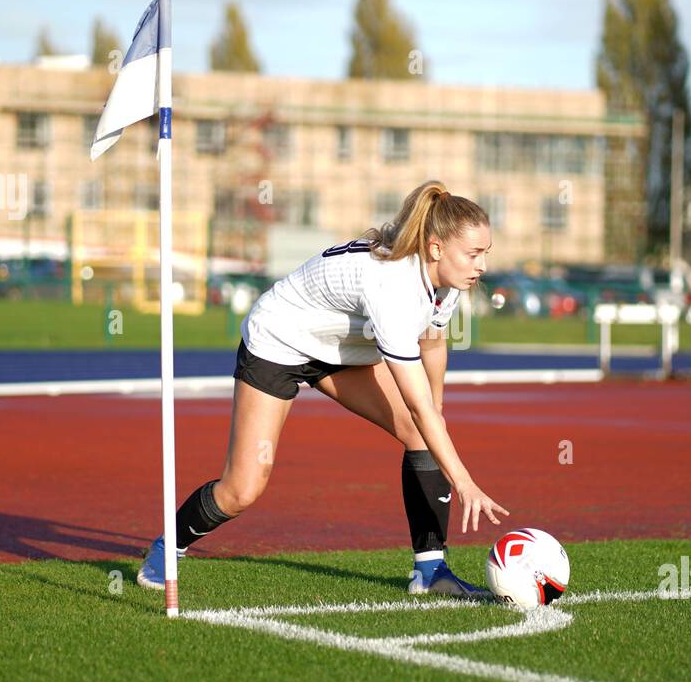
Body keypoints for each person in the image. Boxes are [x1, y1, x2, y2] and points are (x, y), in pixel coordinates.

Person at [137, 180, 510, 597]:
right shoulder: (394, 286)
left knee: (425, 432)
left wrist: (437, 414)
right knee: (243, 489)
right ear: (436, 247)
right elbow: (417, 403)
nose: (481, 265)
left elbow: (433, 342)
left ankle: (430, 572)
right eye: (474, 254)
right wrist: (462, 481)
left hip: (342, 350)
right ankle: (169, 545)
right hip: (279, 341)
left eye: (485, 254)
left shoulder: (446, 279)